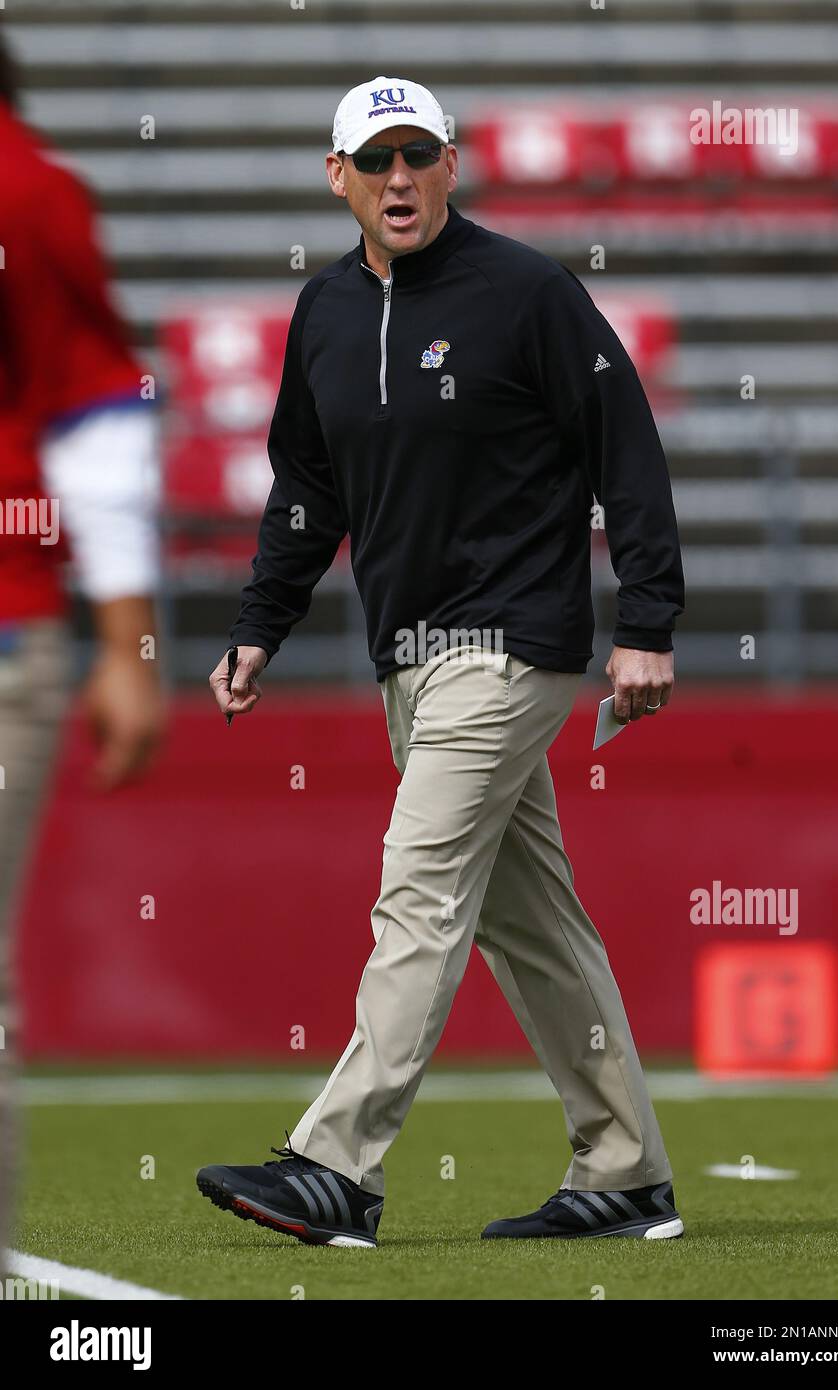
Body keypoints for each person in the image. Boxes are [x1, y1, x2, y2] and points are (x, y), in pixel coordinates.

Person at [201, 76, 685, 1248]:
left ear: (452, 164)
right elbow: (308, 492)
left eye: (418, 154)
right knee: (534, 924)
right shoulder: (320, 314)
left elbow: (628, 448)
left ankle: (337, 1165)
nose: (399, 178)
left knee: (416, 886)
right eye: (376, 161)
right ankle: (625, 1173)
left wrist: (648, 621)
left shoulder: (526, 292)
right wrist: (260, 620)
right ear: (339, 178)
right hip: (405, 661)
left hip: (510, 644)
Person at [0, 31, 165, 1277]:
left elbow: (95, 419)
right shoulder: (32, 188)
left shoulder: (29, 191)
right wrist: (125, 643)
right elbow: (98, 418)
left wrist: (126, 640)